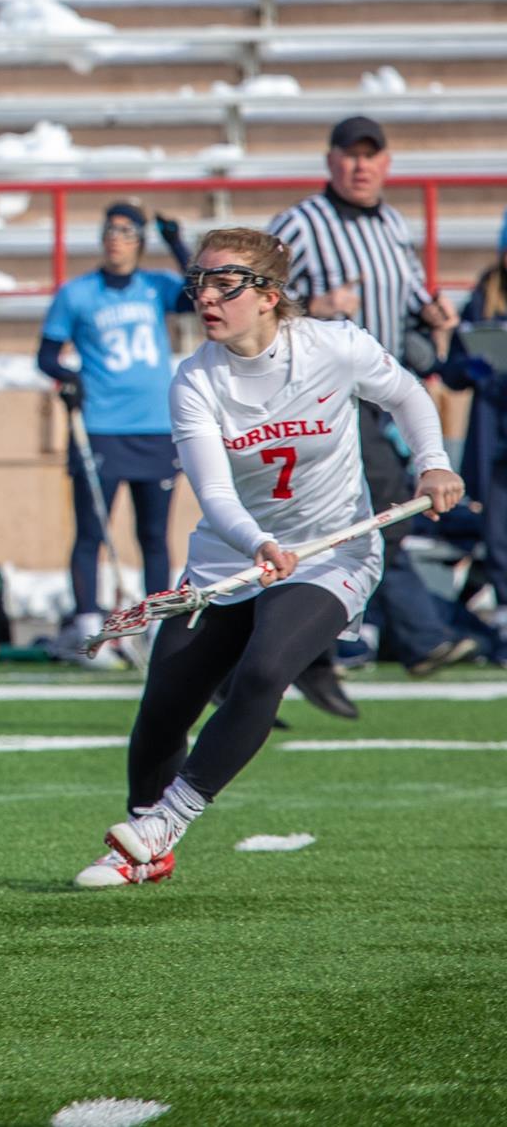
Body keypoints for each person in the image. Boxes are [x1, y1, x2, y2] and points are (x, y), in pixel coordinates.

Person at [77, 228, 462, 889]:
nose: (206, 295)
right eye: (200, 280)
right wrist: (257, 543)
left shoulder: (333, 346)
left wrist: (433, 463)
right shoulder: (196, 379)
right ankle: (142, 845)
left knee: (263, 671)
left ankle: (167, 822)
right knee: (164, 708)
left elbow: (405, 393)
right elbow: (215, 491)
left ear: (269, 296)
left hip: (331, 551)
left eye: (225, 282)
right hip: (234, 556)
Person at [270, 115, 469, 697]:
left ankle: (305, 649)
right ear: (331, 160)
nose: (360, 167)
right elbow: (253, 292)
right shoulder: (301, 224)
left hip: (380, 391)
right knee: (383, 503)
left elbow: (411, 293)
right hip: (321, 394)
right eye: (349, 155)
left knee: (347, 515)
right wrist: (312, 303)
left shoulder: (390, 223)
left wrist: (433, 312)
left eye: (370, 155)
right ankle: (418, 633)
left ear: (386, 163)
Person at [37, 203, 192, 665]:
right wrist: (69, 377)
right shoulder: (77, 293)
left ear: (140, 240)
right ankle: (88, 624)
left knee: (153, 534)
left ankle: (159, 625)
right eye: (110, 230)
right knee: (92, 530)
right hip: (102, 427)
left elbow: (200, 295)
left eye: (127, 231)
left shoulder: (156, 286)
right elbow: (46, 355)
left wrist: (177, 243)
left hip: (155, 427)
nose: (116, 239)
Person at [429, 207, 507, 629]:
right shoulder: (484, 296)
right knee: (496, 530)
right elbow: (453, 373)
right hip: (494, 436)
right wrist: (475, 364)